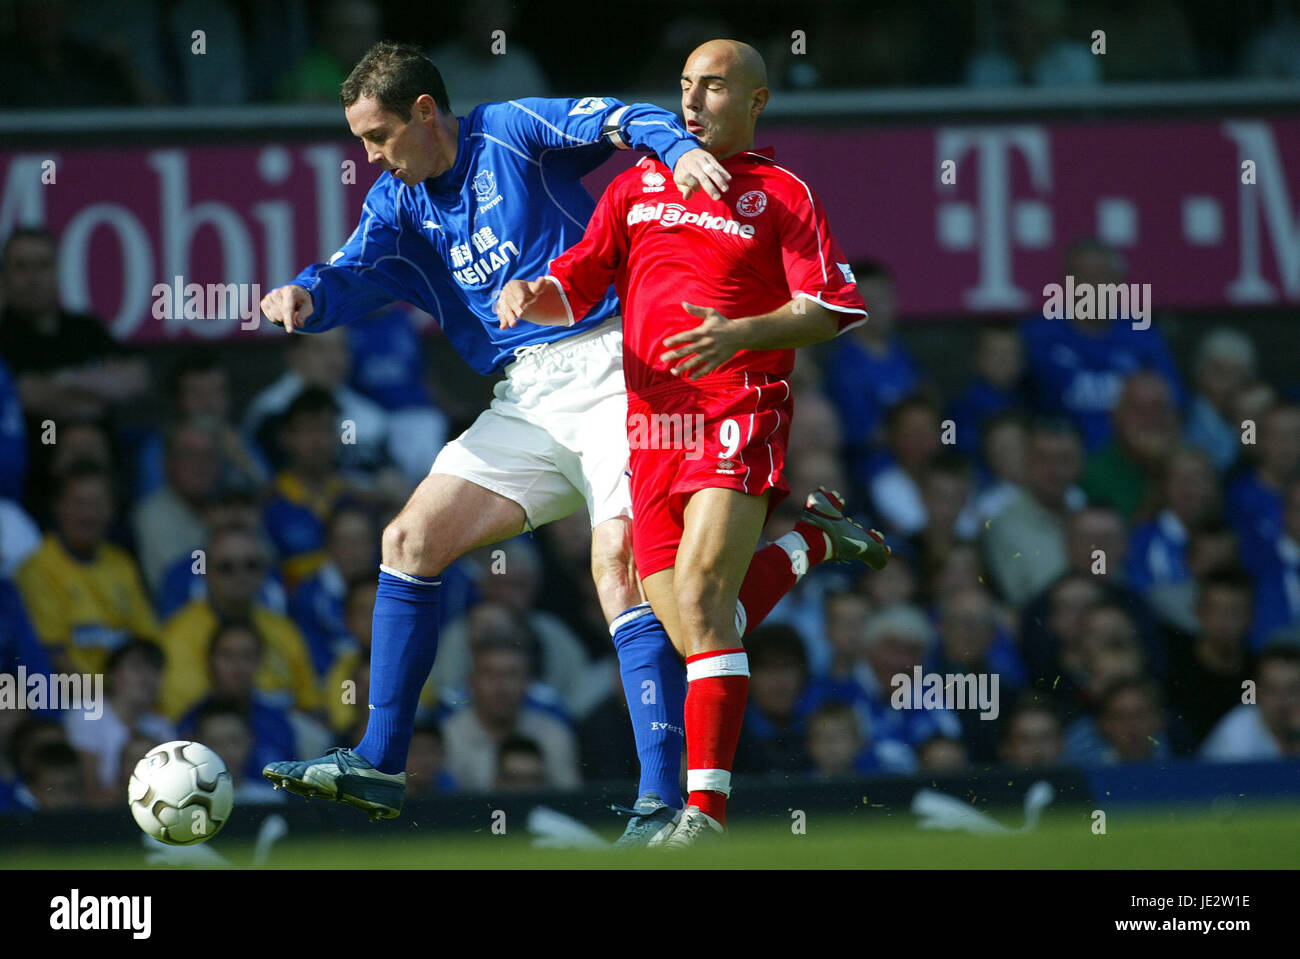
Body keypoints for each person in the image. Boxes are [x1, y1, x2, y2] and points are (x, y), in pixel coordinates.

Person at [258, 40, 738, 838]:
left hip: (619, 363)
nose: (370, 157)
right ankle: (380, 760)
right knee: (409, 539)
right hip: (527, 397)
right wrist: (304, 296)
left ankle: (661, 799)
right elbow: (345, 271)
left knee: (617, 567)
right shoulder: (397, 200)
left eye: (377, 137)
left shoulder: (510, 130)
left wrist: (680, 149)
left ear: (423, 113)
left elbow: (623, 116)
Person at [498, 39, 891, 843]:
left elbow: (834, 307)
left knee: (708, 604)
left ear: (756, 101)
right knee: (695, 631)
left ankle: (703, 815)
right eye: (685, 85)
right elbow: (578, 279)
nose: (693, 100)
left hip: (736, 407)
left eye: (714, 87)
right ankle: (814, 542)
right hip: (650, 427)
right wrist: (534, 294)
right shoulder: (638, 180)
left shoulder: (780, 192)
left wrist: (738, 333)